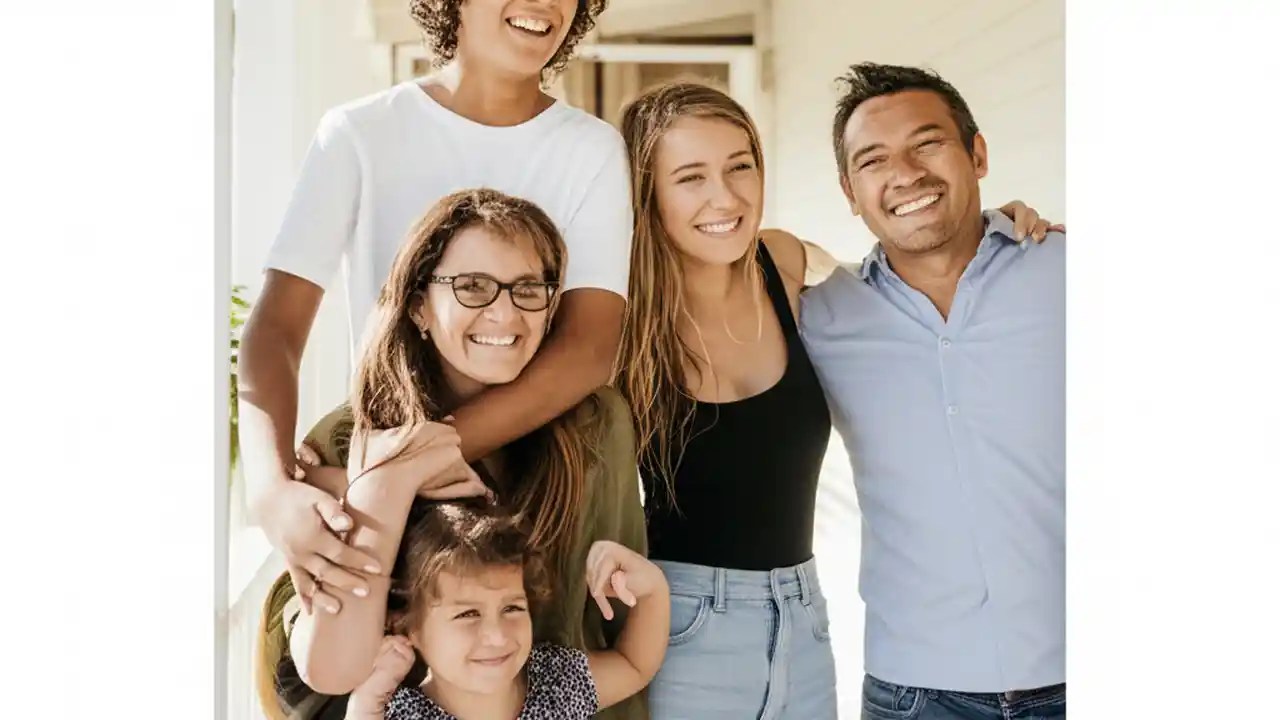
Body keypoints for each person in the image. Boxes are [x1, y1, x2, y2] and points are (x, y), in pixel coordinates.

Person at [612, 80, 1059, 719]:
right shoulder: (618, 315)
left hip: (804, 627)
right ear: (646, 193)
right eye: (691, 177)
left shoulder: (781, 266)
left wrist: (993, 236)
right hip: (677, 626)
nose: (726, 197)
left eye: (740, 166)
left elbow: (894, 280)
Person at [237, 0, 632, 624]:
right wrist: (270, 491)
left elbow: (589, 348)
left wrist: (405, 467)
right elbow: (276, 329)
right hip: (384, 476)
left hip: (542, 488)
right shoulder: (359, 133)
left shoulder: (592, 149)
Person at [254, 189, 647, 720]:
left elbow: (611, 619)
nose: (505, 312)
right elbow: (328, 670)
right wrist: (388, 480)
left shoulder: (595, 427)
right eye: (473, 287)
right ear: (419, 304)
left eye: (528, 288)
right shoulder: (351, 437)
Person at [800, 63, 1066, 719]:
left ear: (978, 155)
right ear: (850, 192)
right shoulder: (818, 317)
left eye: (927, 143)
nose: (905, 174)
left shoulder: (1072, 273)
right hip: (915, 694)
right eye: (873, 160)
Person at [340, 500, 669, 720]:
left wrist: (653, 588)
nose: (497, 636)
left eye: (512, 607)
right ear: (408, 626)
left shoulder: (554, 684)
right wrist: (364, 706)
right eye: (468, 614)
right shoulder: (399, 713)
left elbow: (633, 666)